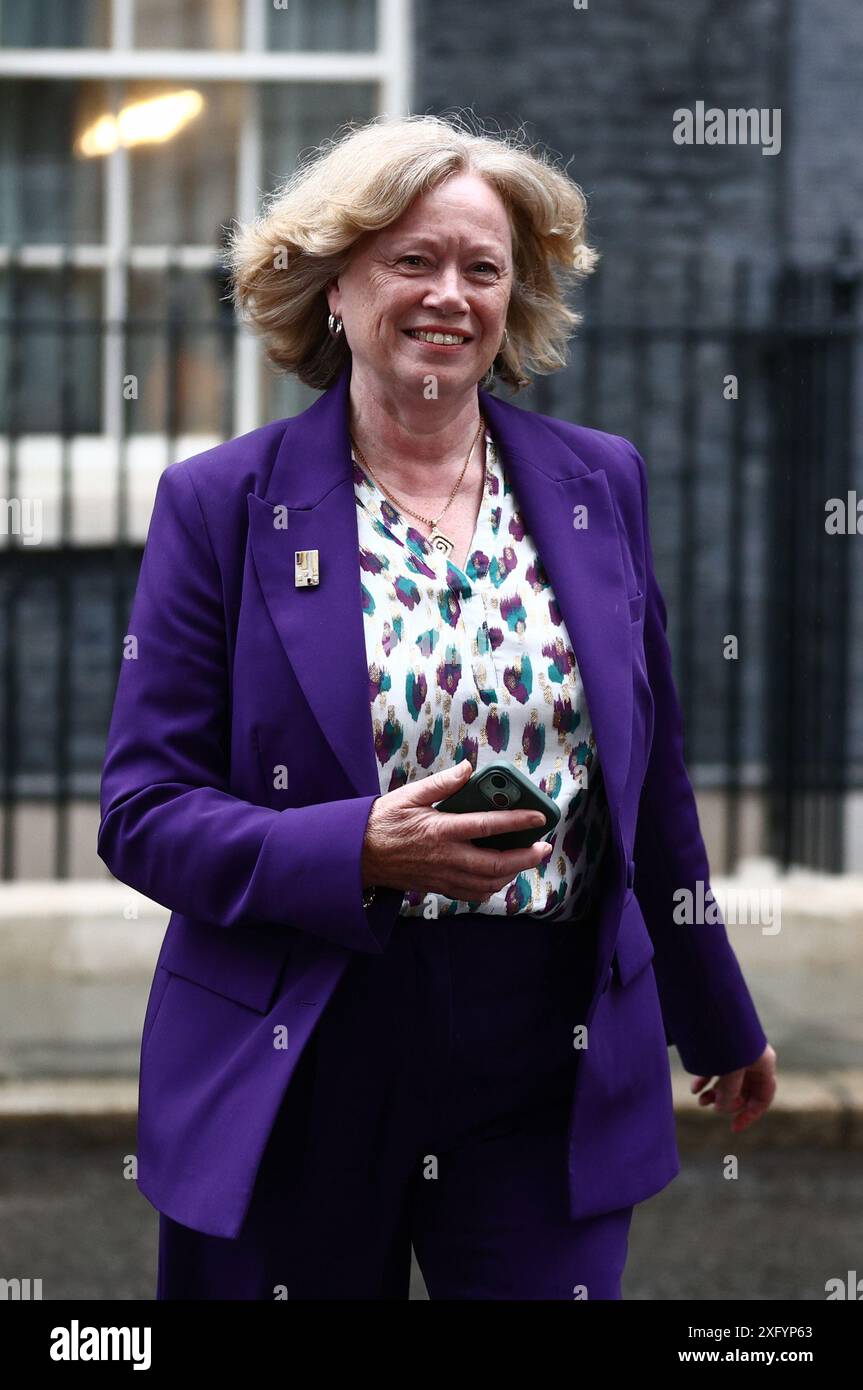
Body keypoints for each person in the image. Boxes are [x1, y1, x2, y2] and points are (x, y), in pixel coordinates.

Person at [98, 112, 777, 1300]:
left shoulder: (594, 482)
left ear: (512, 301)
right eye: (411, 259)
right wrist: (353, 845)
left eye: (481, 267)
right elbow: (141, 807)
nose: (447, 294)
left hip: (543, 1046)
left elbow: (649, 776)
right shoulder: (220, 504)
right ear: (334, 286)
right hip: (303, 1036)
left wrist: (714, 1011)